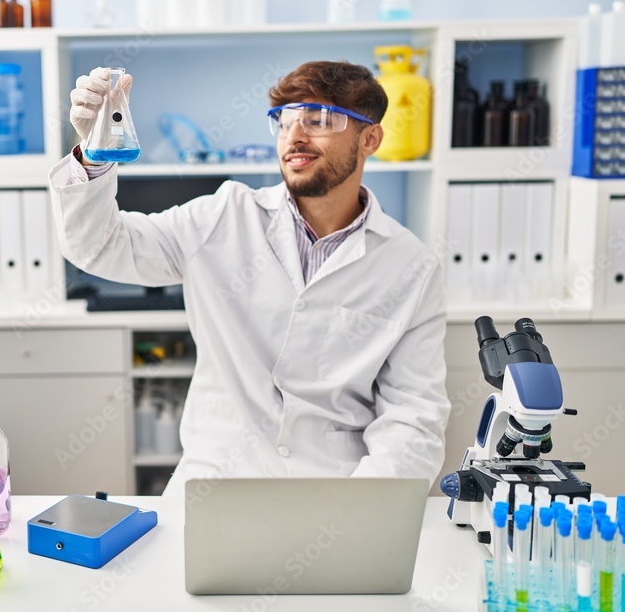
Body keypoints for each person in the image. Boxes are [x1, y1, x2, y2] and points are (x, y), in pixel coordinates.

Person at [48, 62, 449, 496]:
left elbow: (412, 419)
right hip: (216, 483)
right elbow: (100, 245)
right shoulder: (222, 216)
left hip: (336, 490)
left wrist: (361, 508)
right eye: (285, 121)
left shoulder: (411, 266)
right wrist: (94, 155)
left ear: (370, 139)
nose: (295, 137)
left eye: (318, 120)